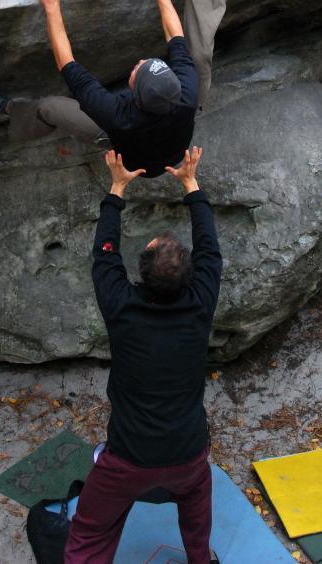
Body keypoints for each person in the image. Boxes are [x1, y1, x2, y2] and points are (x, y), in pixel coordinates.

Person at [0, 0, 234, 176]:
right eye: (149, 63)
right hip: (173, 123)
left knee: (49, 108)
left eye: (139, 69)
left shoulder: (115, 115)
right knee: (200, 55)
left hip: (131, 153)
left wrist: (52, 6)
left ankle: (14, 110)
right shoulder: (186, 92)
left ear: (133, 94)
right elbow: (175, 37)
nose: (141, 61)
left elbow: (66, 63)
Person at [64, 145, 222, 563]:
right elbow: (210, 248)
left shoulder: (121, 306)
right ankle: (199, 559)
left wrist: (116, 189)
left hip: (129, 459)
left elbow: (104, 254)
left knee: (89, 529)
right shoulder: (201, 302)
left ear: (141, 272)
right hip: (188, 453)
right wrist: (191, 184)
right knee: (196, 506)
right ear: (190, 275)